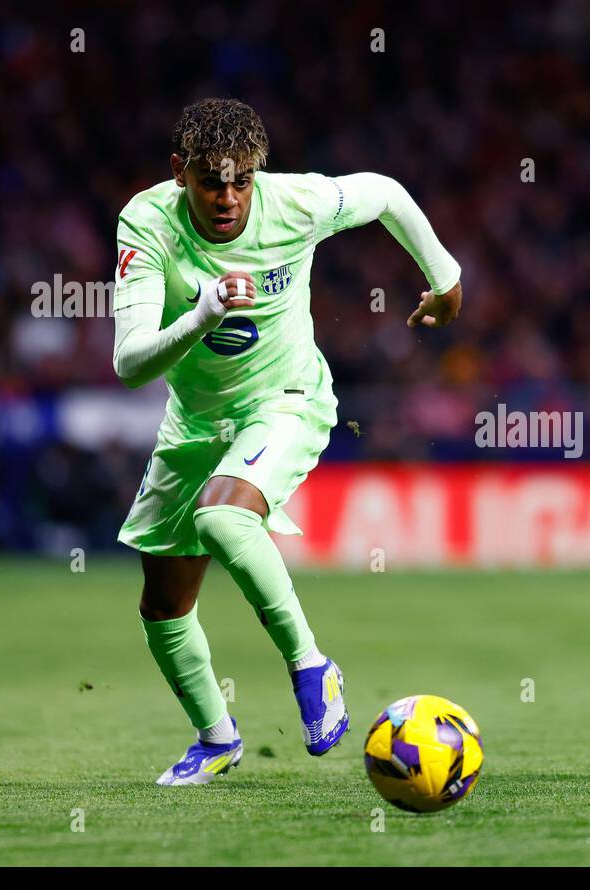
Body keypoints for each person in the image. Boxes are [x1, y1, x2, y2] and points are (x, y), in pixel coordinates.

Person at [112, 98, 462, 785]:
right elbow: (129, 365)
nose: (228, 197)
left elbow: (384, 194)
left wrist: (445, 277)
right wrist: (202, 312)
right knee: (163, 603)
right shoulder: (146, 222)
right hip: (193, 424)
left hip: (286, 401)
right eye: (212, 180)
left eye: (242, 180)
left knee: (223, 514)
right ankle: (217, 737)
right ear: (180, 172)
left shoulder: (295, 203)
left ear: (258, 173)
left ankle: (311, 665)